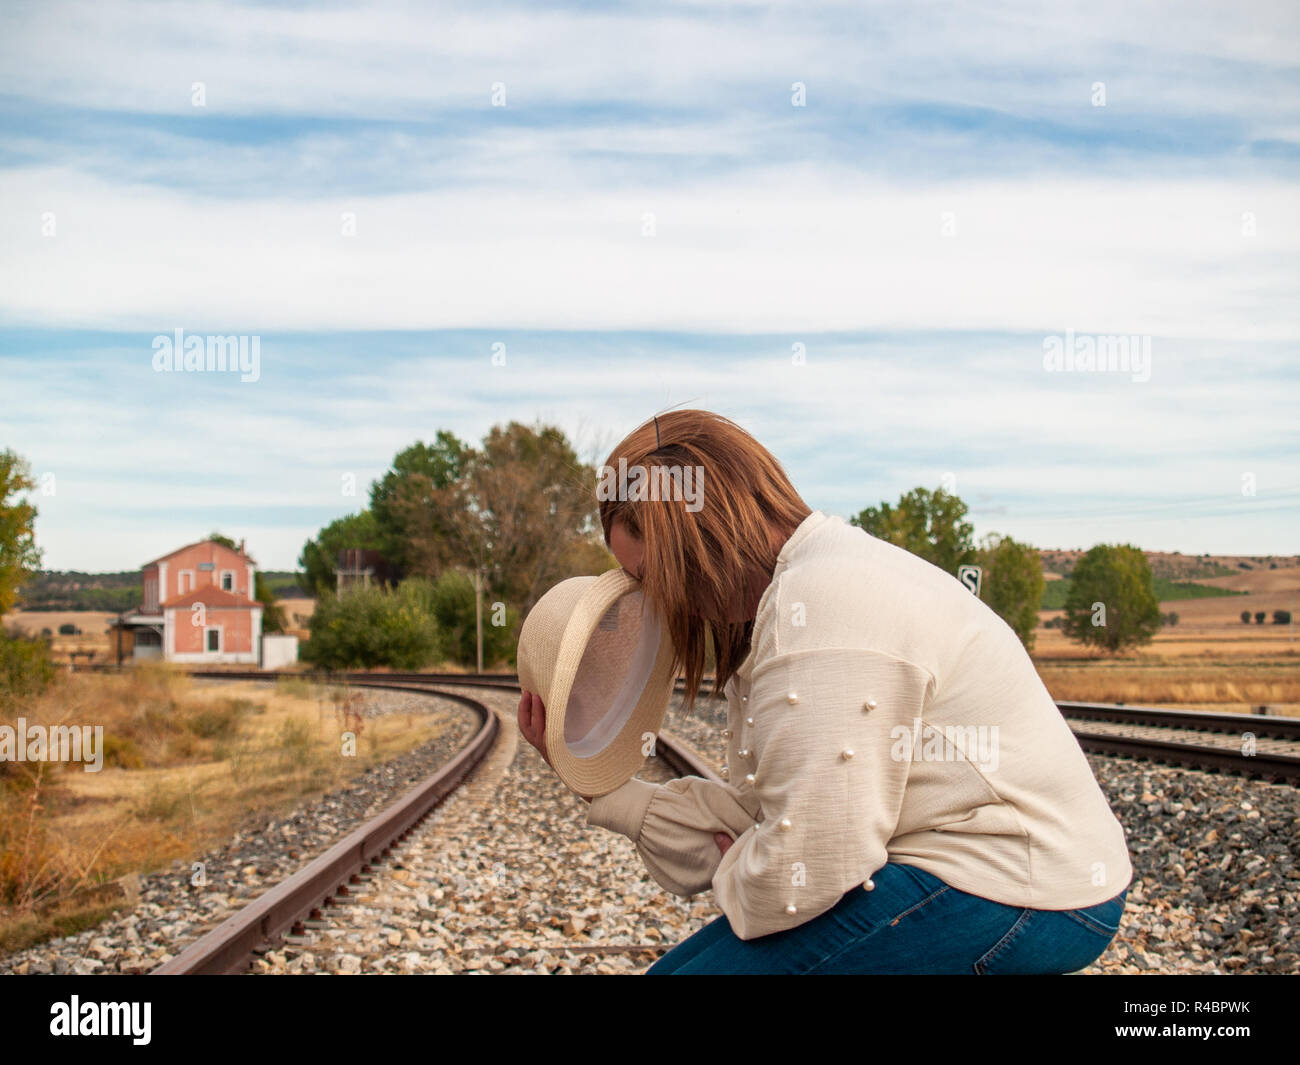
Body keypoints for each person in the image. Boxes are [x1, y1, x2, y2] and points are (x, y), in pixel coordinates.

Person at [518, 409, 1132, 974]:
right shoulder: (807, 584)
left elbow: (807, 872)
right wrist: (600, 786)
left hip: (1021, 887)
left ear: (695, 538)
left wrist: (746, 864)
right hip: (984, 871)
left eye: (654, 577)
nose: (662, 601)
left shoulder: (817, 613)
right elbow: (763, 818)